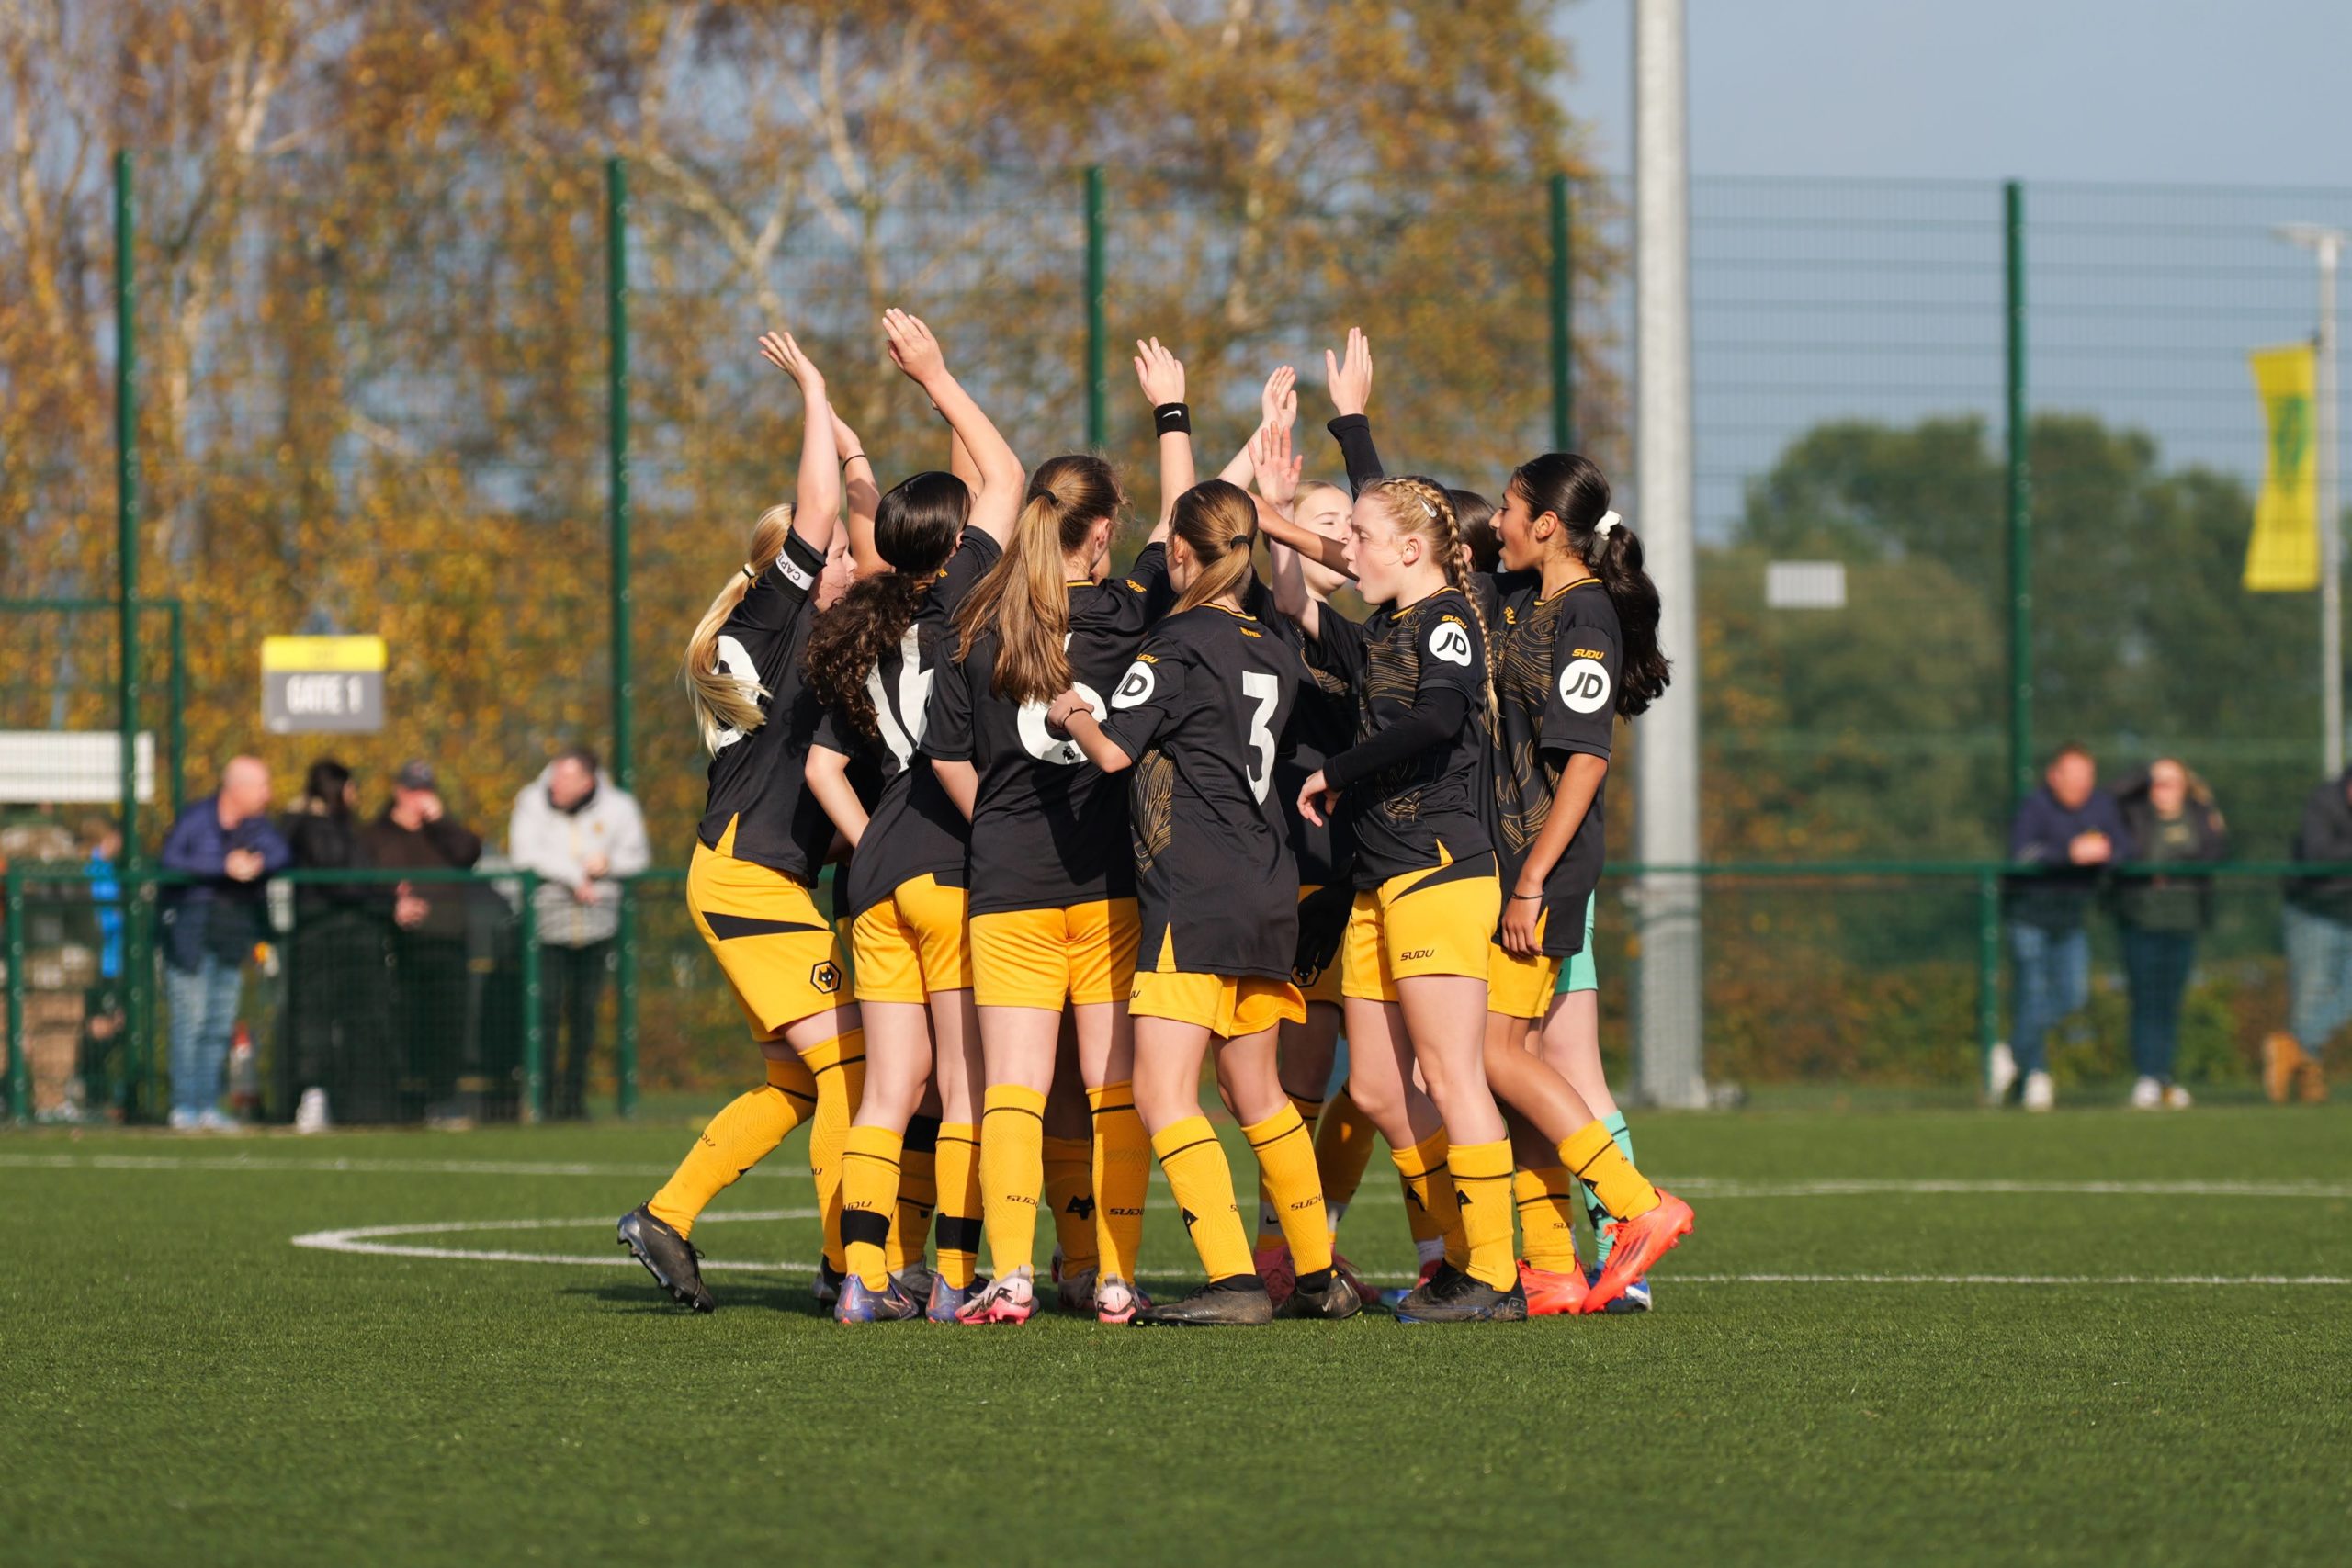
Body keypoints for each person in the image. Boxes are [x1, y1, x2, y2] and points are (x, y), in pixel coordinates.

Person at [1046, 382, 1359, 1325]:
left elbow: (1114, 751)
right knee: (1258, 1091)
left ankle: (1232, 1277)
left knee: (1160, 1091)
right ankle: (1315, 1273)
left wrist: (1071, 711)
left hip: (1194, 888)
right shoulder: (1274, 644)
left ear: (1181, 556)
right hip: (1268, 886)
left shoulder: (1176, 642)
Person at [922, 350, 1179, 1326]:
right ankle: (1114, 1276)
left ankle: (1013, 1275)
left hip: (1008, 884)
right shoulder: (1127, 610)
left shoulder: (978, 616)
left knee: (1013, 1094)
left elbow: (947, 753)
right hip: (1106, 884)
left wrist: (996, 818)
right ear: (1102, 532)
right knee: (1114, 1094)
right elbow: (1183, 526)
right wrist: (1171, 413)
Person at [616, 329, 862, 1314]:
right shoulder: (772, 618)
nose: (849, 559)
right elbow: (820, 513)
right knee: (847, 1064)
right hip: (746, 875)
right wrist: (815, 392)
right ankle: (850, 1265)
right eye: (838, 555)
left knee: (799, 1085)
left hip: (753, 875)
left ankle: (665, 1218)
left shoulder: (800, 638)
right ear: (789, 570)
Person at [801, 309, 1025, 1323]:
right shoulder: (960, 600)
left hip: (876, 870)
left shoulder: (868, 622)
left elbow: (826, 770)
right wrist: (936, 378)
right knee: (967, 1091)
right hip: (947, 860)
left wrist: (872, 843)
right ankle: (952, 1276)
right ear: (955, 542)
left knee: (890, 1092)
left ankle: (861, 1275)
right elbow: (1004, 471)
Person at [507, 746, 651, 1121]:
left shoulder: (619, 807)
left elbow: (637, 859)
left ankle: (573, 1102)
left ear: (587, 782)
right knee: (545, 1014)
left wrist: (608, 864)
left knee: (584, 1017)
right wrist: (575, 876)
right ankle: (541, 1103)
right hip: (545, 931)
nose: (555, 785)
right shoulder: (531, 801)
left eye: (566, 779)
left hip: (599, 928)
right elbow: (524, 855)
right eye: (555, 775)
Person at [157, 756, 290, 1130]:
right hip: (191, 937)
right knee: (190, 1022)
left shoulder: (257, 826)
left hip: (232, 937)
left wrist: (255, 863)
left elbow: (280, 853)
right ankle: (184, 1105)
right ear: (237, 788)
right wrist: (222, 866)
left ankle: (207, 1105)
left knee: (218, 1026)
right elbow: (170, 860)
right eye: (262, 786)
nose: (268, 794)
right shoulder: (196, 819)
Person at [1997, 743, 2132, 1111]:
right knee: (2032, 994)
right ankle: (2035, 1074)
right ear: (2054, 776)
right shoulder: (2035, 806)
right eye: (2073, 777)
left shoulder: (2101, 806)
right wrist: (2067, 854)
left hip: (2071, 918)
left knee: (2073, 995)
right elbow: (2021, 853)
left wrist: (2105, 853)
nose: (2080, 785)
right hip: (2029, 916)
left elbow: (2125, 847)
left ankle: (2013, 1051)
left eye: (2086, 778)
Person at [361, 759, 485, 1120]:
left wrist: (441, 822)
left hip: (448, 942)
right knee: (404, 1024)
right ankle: (406, 1100)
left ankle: (443, 1099)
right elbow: (364, 883)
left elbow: (469, 853)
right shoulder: (376, 835)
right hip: (399, 946)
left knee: (447, 1024)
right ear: (399, 792)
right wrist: (393, 904)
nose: (420, 798)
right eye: (414, 790)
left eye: (426, 790)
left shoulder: (443, 832)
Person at [281, 759, 395, 1127]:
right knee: (314, 1018)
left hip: (355, 936)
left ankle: (362, 1105)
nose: (356, 796)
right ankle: (313, 1096)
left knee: (361, 1020)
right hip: (322, 936)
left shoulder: (347, 828)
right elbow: (342, 879)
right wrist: (385, 899)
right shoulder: (310, 828)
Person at [2110, 759, 2226, 1110]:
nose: (2161, 790)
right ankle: (2148, 1076)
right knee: (2146, 1000)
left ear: (2185, 786)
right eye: (2156, 783)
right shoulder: (2135, 814)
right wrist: (2143, 775)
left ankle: (2164, 1076)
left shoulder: (2200, 816)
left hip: (2184, 921)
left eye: (2170, 782)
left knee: (2170, 1002)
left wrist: (2176, 868)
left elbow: (2215, 853)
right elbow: (2108, 798)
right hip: (2142, 921)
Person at [2271, 768, 2352, 1105]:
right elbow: (2318, 853)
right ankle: (2307, 1081)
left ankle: (2293, 1044)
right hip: (2315, 911)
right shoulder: (2324, 802)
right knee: (2312, 996)